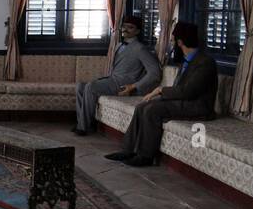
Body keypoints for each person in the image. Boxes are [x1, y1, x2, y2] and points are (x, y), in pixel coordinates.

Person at [106, 22, 217, 167]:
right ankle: (127, 150)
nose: (171, 44)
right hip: (184, 102)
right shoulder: (186, 60)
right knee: (142, 107)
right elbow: (182, 90)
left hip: (198, 106)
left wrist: (160, 91)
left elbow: (189, 91)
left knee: (152, 110)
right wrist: (160, 96)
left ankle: (145, 156)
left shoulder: (205, 62)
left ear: (180, 42)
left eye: (172, 41)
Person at [72, 15, 161, 136]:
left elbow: (155, 73)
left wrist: (134, 86)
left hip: (123, 85)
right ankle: (82, 122)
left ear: (138, 31)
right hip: (112, 80)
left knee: (91, 87)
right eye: (124, 26)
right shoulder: (119, 45)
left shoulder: (140, 49)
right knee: (80, 86)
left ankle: (83, 127)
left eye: (130, 27)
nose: (125, 29)